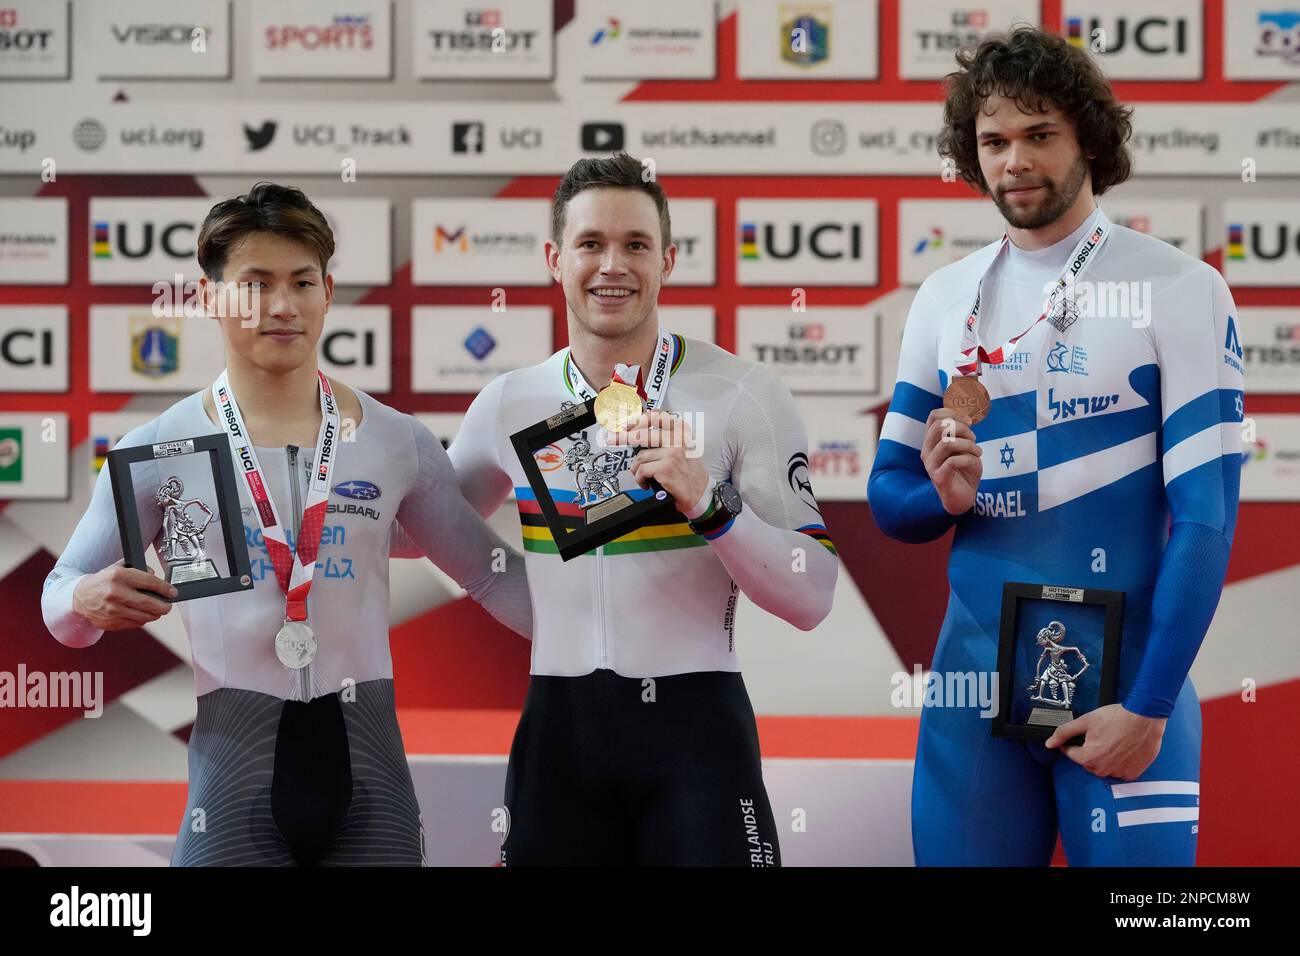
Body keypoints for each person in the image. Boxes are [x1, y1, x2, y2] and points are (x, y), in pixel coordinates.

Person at [42, 183, 532, 866]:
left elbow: (488, 573)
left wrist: (608, 631)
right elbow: (60, 604)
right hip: (232, 783)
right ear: (210, 297)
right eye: (256, 283)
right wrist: (85, 600)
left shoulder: (395, 440)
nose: (281, 305)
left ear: (328, 293)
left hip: (371, 782)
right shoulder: (155, 450)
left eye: (302, 282)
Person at [869, 27, 1243, 866]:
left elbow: (1206, 520)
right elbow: (893, 496)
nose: (1015, 161)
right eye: (994, 141)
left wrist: (1148, 707)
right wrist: (944, 498)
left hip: (1126, 695)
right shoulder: (945, 297)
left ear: (1088, 142)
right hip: (971, 696)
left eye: (1040, 135)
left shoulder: (1179, 288)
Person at [449, 152, 839, 865]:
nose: (612, 265)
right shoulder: (509, 403)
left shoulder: (741, 393)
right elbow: (428, 535)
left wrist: (710, 506)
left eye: (635, 245)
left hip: (698, 741)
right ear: (553, 259)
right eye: (591, 244)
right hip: (557, 742)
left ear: (669, 261)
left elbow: (812, 594)